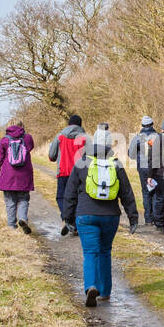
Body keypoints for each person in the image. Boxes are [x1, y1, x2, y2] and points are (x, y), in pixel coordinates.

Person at [61, 124, 139, 307]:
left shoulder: (81, 162)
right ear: (110, 144)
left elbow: (70, 192)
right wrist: (133, 217)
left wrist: (68, 217)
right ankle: (104, 292)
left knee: (90, 252)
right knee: (105, 252)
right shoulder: (117, 164)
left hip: (86, 215)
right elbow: (127, 193)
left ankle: (90, 286)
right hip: (110, 216)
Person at [0, 121, 36, 233]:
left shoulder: (4, 140)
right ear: (22, 126)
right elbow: (30, 147)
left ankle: (11, 226)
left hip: (8, 177)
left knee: (10, 202)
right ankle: (22, 218)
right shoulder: (28, 138)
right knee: (23, 199)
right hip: (24, 177)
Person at [47, 114, 86, 235]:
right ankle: (74, 224)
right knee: (78, 198)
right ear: (80, 124)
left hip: (63, 171)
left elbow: (51, 156)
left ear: (68, 124)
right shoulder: (85, 138)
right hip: (80, 173)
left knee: (61, 197)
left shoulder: (60, 136)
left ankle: (67, 219)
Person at [127, 116, 164, 230]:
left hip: (143, 167)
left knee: (145, 191)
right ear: (152, 124)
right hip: (155, 167)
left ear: (142, 125)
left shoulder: (137, 138)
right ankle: (155, 217)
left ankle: (148, 219)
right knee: (155, 191)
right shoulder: (159, 136)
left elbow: (131, 154)